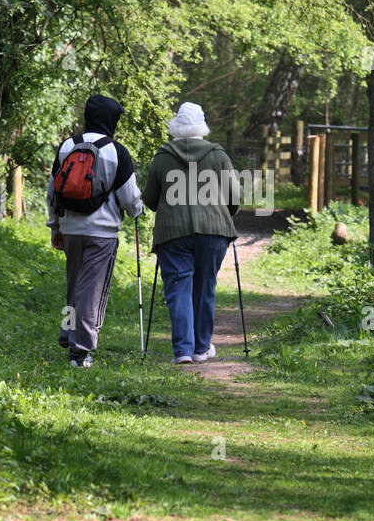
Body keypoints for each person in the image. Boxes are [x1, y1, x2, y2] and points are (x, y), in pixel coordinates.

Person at [47, 94, 142, 368]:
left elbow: (53, 190)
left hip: (71, 229)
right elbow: (129, 197)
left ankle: (68, 334)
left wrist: (55, 225)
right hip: (102, 233)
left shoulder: (68, 146)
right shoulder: (116, 151)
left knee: (74, 285)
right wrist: (138, 210)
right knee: (92, 290)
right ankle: (80, 351)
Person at [143, 102, 240, 365]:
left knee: (178, 289)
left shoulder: (163, 156)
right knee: (205, 287)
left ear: (176, 127)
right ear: (202, 127)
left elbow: (150, 199)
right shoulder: (218, 155)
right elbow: (235, 197)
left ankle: (183, 351)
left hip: (172, 234)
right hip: (213, 232)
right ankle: (201, 348)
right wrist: (224, 214)